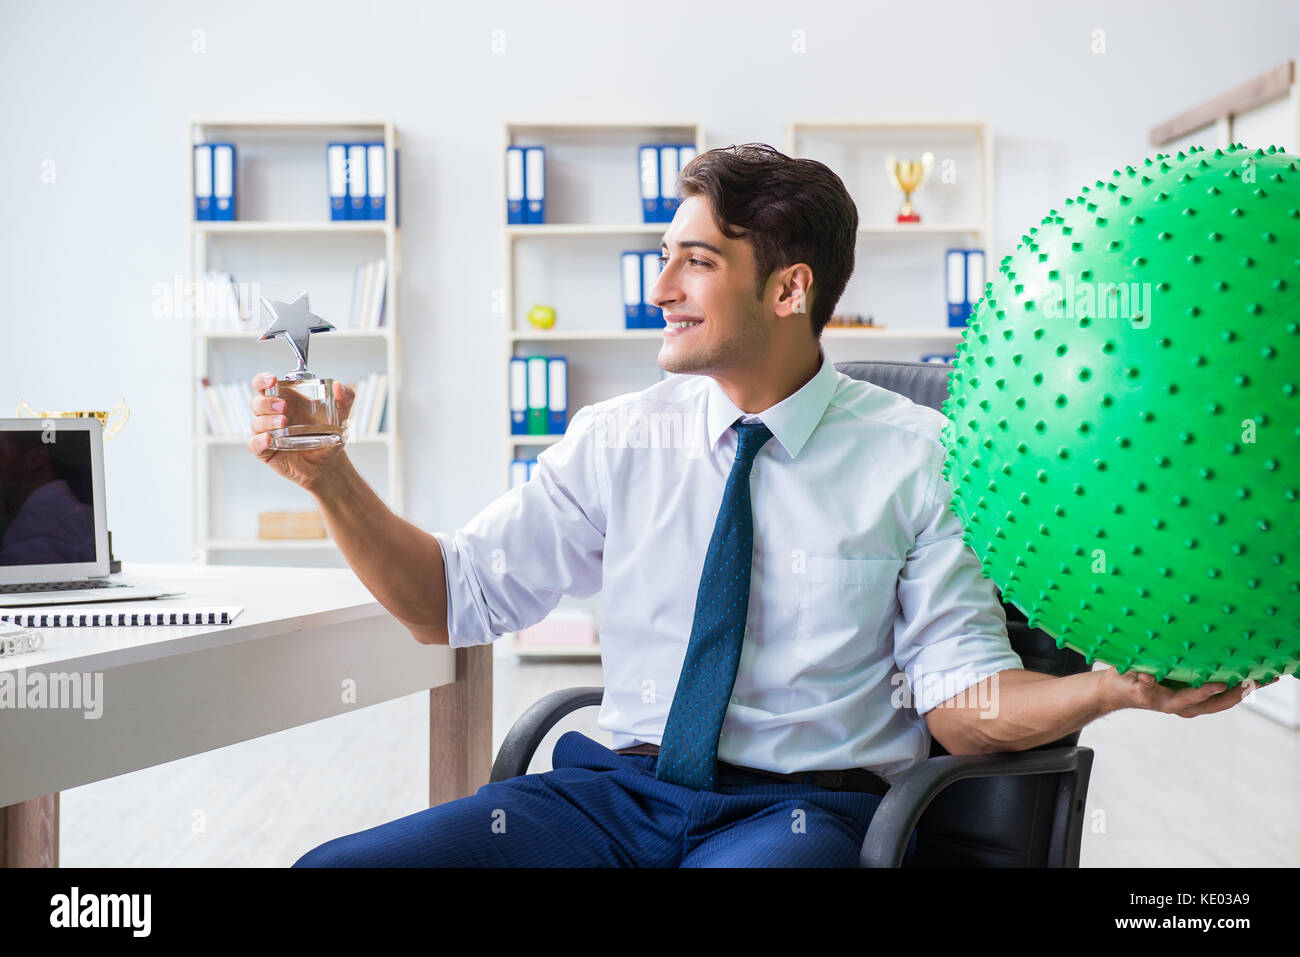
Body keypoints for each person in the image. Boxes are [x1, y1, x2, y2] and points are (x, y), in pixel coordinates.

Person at [250, 143, 1273, 868]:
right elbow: (450, 602)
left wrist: (1108, 691)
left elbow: (961, 710)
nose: (660, 288)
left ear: (788, 291)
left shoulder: (923, 461)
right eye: (664, 257)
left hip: (796, 815)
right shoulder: (620, 437)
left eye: (695, 261)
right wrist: (331, 478)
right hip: (609, 797)